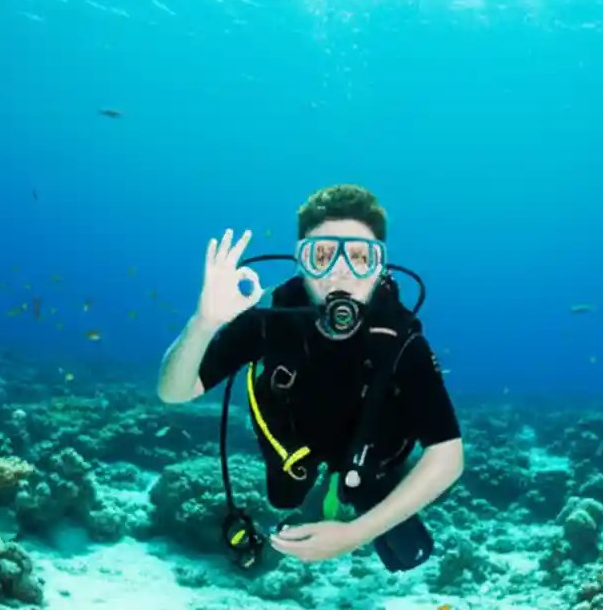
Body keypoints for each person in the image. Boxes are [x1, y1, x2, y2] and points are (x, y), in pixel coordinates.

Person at [156, 184, 464, 571]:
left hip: (373, 457)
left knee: (391, 521)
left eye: (359, 257)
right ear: (301, 263)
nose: (339, 273)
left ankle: (343, 498)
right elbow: (173, 392)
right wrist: (204, 323)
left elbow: (448, 456)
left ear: (379, 267)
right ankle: (324, 496)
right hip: (295, 452)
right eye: (320, 255)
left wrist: (358, 534)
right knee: (284, 499)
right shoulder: (269, 324)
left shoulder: (401, 341)